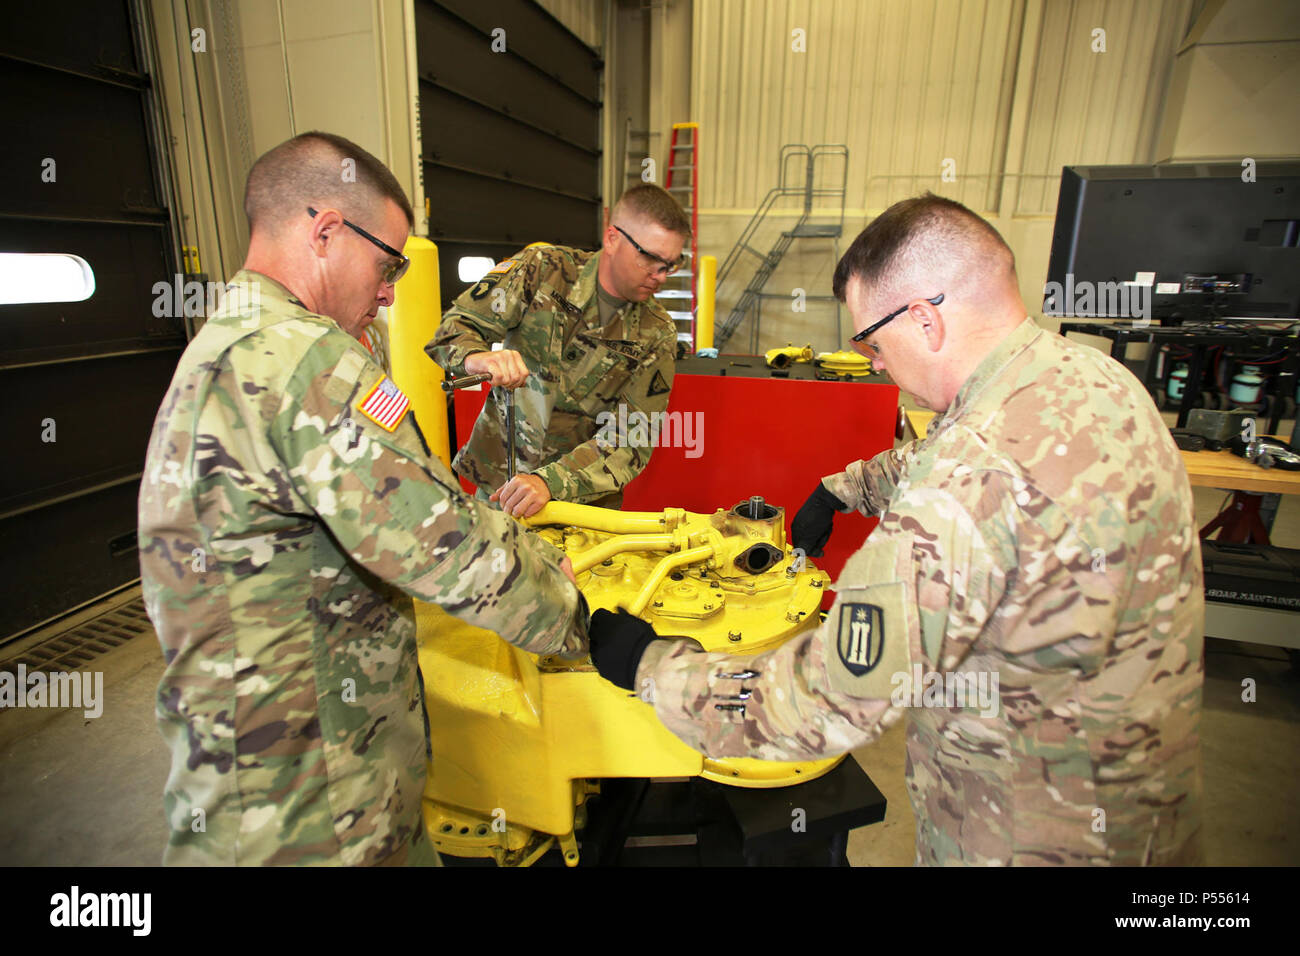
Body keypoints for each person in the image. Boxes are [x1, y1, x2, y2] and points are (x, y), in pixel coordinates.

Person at [588, 193, 1205, 866]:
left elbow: (822, 703)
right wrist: (844, 488)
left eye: (872, 342)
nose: (875, 362)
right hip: (1142, 814)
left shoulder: (963, 487)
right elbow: (972, 459)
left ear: (923, 320)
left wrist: (649, 666)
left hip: (1024, 834)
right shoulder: (1091, 379)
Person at [138, 132, 587, 866]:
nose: (389, 291)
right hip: (320, 805)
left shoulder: (227, 344)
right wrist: (571, 610)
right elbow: (446, 545)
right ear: (324, 233)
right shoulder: (304, 359)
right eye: (388, 266)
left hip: (259, 780)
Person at [426, 184, 689, 516]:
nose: (660, 276)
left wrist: (550, 482)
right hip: (500, 488)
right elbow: (453, 329)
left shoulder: (656, 333)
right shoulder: (544, 270)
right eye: (650, 258)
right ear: (612, 238)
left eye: (670, 264)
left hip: (580, 507)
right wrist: (477, 358)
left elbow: (632, 438)